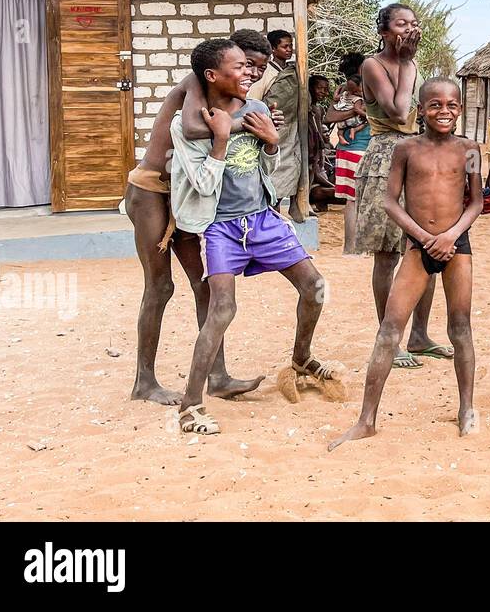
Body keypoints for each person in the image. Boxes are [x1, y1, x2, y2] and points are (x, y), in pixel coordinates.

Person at [170, 39, 337, 435]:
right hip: (219, 227)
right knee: (222, 310)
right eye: (239, 67)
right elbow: (202, 183)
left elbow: (267, 165)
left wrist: (273, 143)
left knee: (314, 287)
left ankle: (301, 359)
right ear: (212, 76)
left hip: (263, 218)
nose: (249, 73)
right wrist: (222, 139)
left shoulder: (258, 109)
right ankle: (190, 405)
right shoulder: (187, 125)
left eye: (250, 66)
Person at [124, 29, 274, 406]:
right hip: (152, 192)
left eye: (257, 70)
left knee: (203, 284)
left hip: (187, 197)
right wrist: (248, 126)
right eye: (246, 66)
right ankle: (145, 381)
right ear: (221, 67)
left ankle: (218, 377)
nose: (251, 75)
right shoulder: (197, 79)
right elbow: (192, 128)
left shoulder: (233, 94)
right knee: (160, 286)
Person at [330, 78, 483, 447]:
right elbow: (389, 201)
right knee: (389, 330)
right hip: (419, 246)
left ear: (460, 108)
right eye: (434, 105)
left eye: (450, 105)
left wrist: (448, 236)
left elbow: (476, 201)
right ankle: (366, 420)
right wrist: (425, 237)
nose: (443, 111)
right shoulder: (405, 148)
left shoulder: (470, 149)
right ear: (421, 108)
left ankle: (466, 409)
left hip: (456, 246)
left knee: (460, 327)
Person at [356, 4, 445, 369]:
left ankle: (420, 334)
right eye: (400, 24)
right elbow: (397, 111)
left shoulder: (410, 64)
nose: (409, 30)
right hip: (385, 159)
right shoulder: (373, 65)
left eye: (413, 23)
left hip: (418, 158)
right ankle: (389, 338)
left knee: (429, 248)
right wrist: (407, 65)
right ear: (383, 31)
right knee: (388, 254)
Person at [327, 62, 371, 255]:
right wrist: (355, 110)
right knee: (361, 201)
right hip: (361, 151)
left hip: (344, 151)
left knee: (351, 202)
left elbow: (329, 116)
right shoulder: (371, 95)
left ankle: (349, 248)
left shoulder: (344, 97)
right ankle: (358, 248)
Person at [261, 29, 303, 218]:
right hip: (275, 130)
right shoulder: (267, 73)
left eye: (291, 46)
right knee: (273, 177)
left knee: (289, 172)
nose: (289, 50)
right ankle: (272, 219)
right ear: (272, 48)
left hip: (290, 131)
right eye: (285, 46)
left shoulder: (293, 71)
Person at [307, 73, 338, 210]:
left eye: (326, 90)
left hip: (317, 157)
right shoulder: (306, 109)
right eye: (320, 88)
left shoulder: (318, 109)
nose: (324, 92)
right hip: (310, 159)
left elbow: (319, 134)